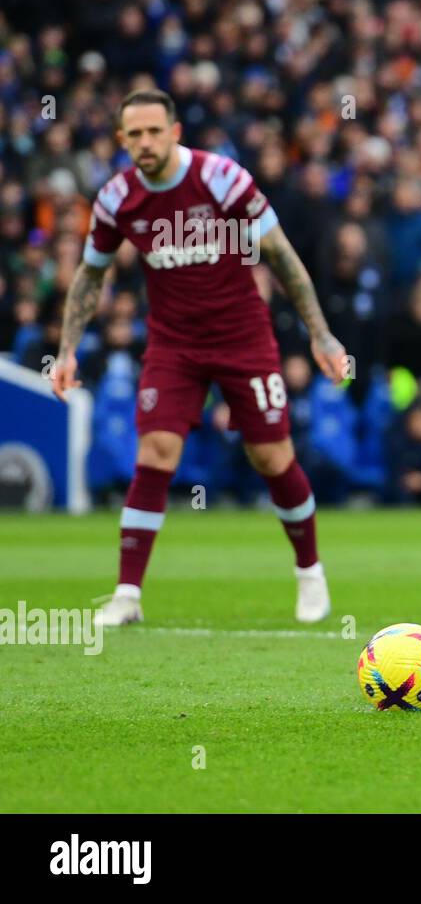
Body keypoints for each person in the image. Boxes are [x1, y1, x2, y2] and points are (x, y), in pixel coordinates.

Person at [51, 89, 349, 627]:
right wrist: (67, 349)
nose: (143, 142)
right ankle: (127, 593)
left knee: (271, 459)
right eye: (133, 135)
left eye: (152, 131)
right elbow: (91, 274)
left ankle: (310, 571)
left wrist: (320, 335)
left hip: (244, 338)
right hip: (174, 345)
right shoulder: (117, 198)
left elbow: (280, 256)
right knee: (157, 451)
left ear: (174, 131)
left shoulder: (222, 180)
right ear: (122, 140)